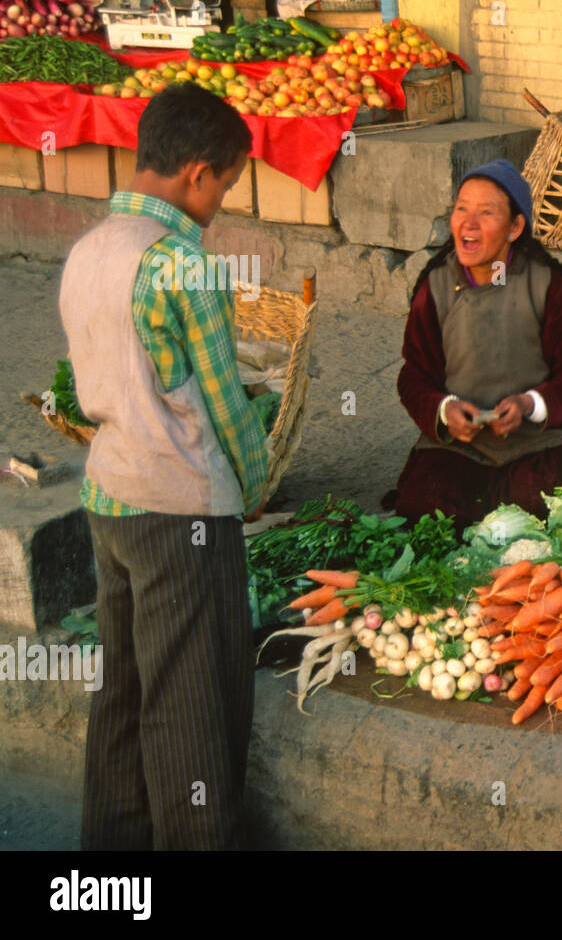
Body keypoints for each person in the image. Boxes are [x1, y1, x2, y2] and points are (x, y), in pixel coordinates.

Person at [60, 83, 267, 849]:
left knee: (123, 691)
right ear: (196, 174)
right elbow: (225, 406)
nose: (222, 202)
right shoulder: (183, 265)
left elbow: (93, 391)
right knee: (190, 710)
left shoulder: (89, 250)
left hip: (107, 496)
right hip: (180, 511)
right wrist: (257, 482)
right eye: (227, 184)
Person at [390, 159, 562, 529]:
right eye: (461, 209)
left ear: (515, 227)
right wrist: (444, 411)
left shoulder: (546, 284)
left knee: (548, 499)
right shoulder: (436, 286)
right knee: (425, 502)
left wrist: (528, 404)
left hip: (542, 438)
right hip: (463, 443)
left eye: (486, 213)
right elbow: (414, 378)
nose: (468, 224)